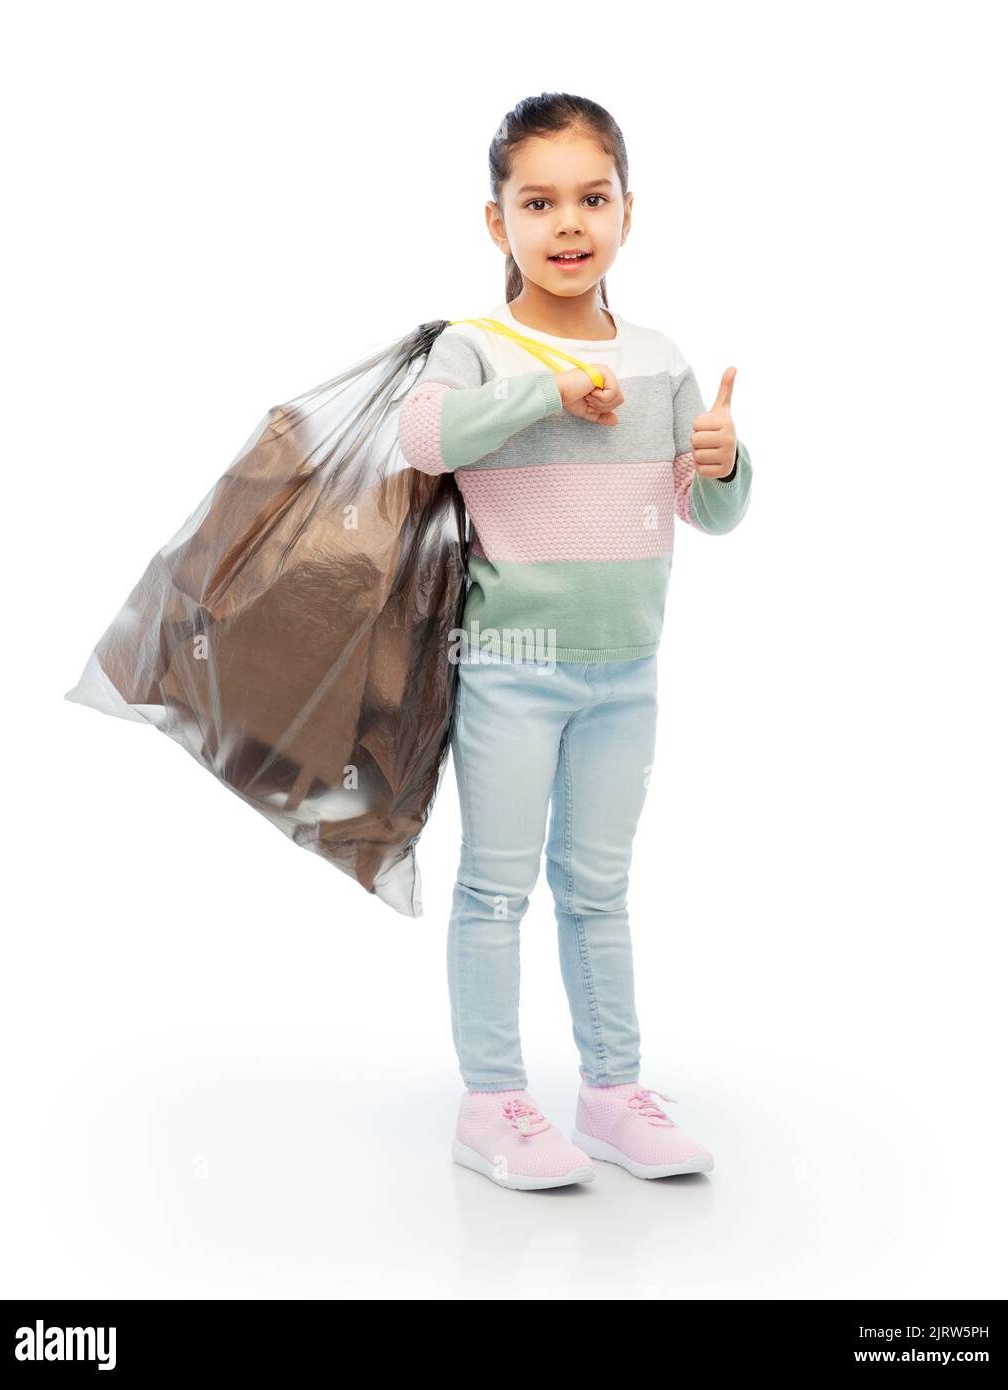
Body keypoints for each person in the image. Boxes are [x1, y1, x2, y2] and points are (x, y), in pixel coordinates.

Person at [397, 92, 753, 1191]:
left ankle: (610, 1095)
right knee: (496, 887)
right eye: (538, 200)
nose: (567, 223)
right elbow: (421, 438)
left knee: (599, 887)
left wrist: (726, 458)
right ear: (495, 222)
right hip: (510, 663)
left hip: (625, 672)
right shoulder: (478, 345)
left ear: (628, 214)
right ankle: (494, 1101)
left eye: (591, 198)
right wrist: (539, 394)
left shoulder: (658, 356)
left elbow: (710, 516)